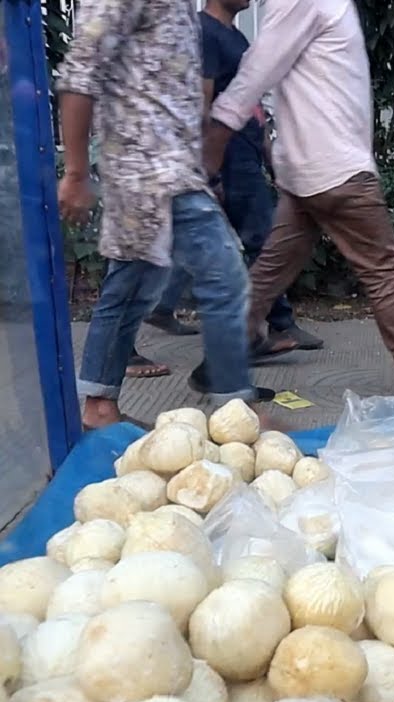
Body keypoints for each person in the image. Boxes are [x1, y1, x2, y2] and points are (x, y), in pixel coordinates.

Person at [203, 0, 394, 405]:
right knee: (384, 272)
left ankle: (220, 365)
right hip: (338, 171)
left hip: (310, 172)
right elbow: (254, 72)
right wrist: (215, 144)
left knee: (269, 274)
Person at [58, 0, 272, 430]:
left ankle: (99, 406)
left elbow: (176, 90)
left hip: (173, 170)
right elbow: (80, 74)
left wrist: (204, 169)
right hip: (147, 170)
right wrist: (76, 172)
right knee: (225, 278)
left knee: (131, 287)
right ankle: (236, 414)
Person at [128, 0, 322, 380]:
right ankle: (275, 324)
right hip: (226, 156)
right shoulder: (204, 33)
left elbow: (251, 104)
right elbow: (202, 103)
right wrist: (209, 170)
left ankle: (164, 308)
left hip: (244, 150)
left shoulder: (235, 36)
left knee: (195, 242)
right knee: (260, 238)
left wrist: (269, 154)